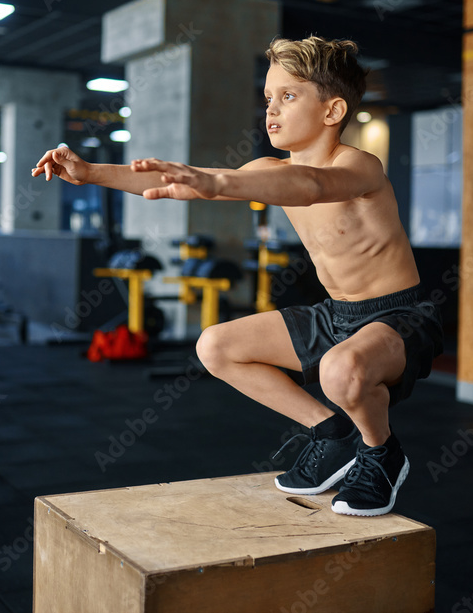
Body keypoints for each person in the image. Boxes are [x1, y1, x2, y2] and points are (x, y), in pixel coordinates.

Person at [33, 36, 443, 516]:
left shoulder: (357, 165)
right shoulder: (268, 169)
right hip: (337, 315)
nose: (271, 109)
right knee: (215, 346)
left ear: (332, 112)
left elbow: (311, 186)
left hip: (399, 318)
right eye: (268, 98)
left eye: (288, 96)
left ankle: (381, 453)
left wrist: (219, 182)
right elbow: (177, 178)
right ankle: (333, 433)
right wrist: (90, 172)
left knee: (340, 372)